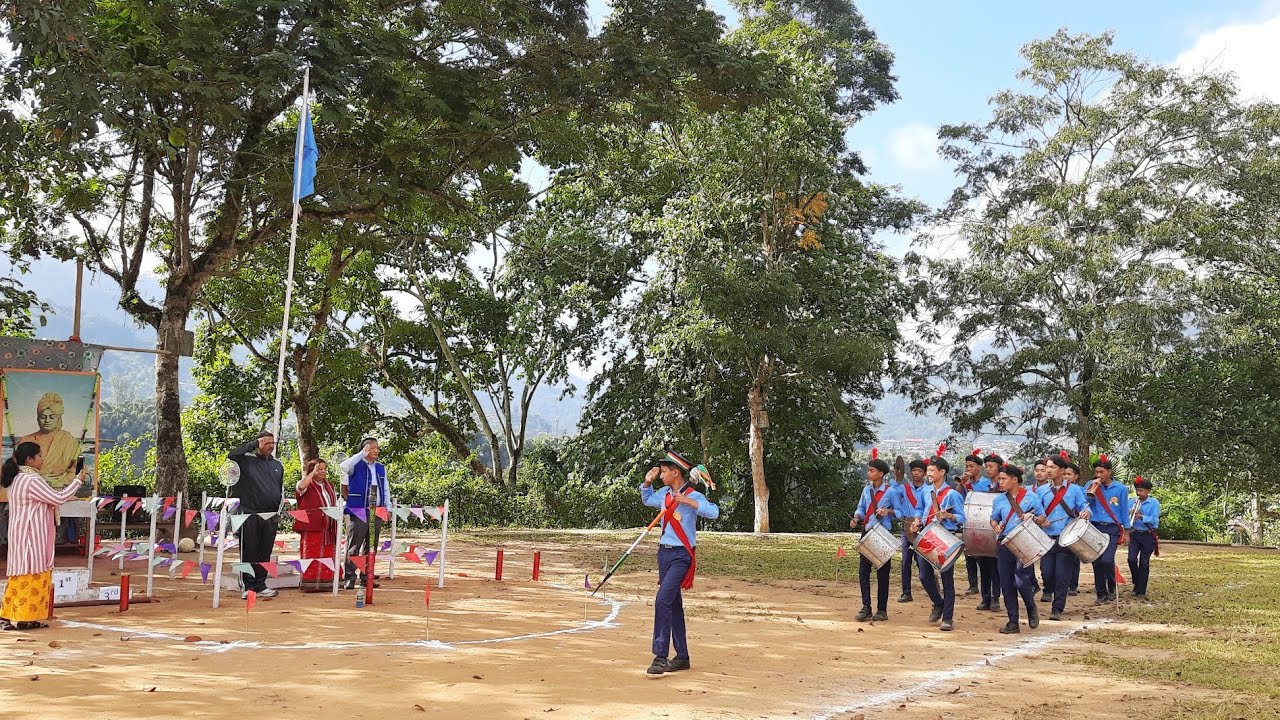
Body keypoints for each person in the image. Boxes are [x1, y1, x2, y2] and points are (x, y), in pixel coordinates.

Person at [641, 449, 719, 678]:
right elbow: (647, 499)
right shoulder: (664, 493)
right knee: (673, 605)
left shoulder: (693, 495)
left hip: (681, 556)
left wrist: (690, 502)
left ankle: (660, 656)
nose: (661, 475)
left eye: (664, 472)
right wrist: (647, 483)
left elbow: (714, 512)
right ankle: (682, 657)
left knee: (662, 601)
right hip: (663, 554)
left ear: (676, 473)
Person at [0, 442, 83, 630]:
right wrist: (77, 481)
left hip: (21, 533)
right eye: (40, 456)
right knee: (33, 575)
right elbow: (57, 498)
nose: (42, 459)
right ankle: (23, 617)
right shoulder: (31, 480)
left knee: (20, 576)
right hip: (32, 534)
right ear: (30, 459)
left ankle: (13, 615)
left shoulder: (18, 478)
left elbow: (51, 497)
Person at [909, 450, 966, 632]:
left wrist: (949, 515)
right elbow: (919, 508)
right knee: (924, 575)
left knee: (947, 579)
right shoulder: (926, 491)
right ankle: (938, 602)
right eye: (929, 470)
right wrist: (917, 520)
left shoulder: (952, 494)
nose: (929, 474)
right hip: (927, 534)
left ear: (942, 472)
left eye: (932, 470)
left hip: (944, 537)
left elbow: (962, 518)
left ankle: (948, 618)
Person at [989, 464, 1046, 633]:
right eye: (999, 479)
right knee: (1006, 583)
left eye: (1003, 479)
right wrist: (995, 526)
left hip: (1024, 543)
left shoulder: (1031, 497)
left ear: (1015, 480)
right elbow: (993, 519)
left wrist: (1033, 517)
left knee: (1021, 581)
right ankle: (1013, 621)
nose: (1000, 482)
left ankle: (1030, 607)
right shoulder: (999, 499)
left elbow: (1042, 518)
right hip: (1005, 544)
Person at [227, 432, 284, 600]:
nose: (270, 446)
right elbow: (232, 454)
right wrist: (253, 443)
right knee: (249, 551)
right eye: (266, 442)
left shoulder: (277, 465)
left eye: (272, 443)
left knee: (264, 553)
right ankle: (248, 586)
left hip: (271, 515)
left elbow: (279, 488)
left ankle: (261, 584)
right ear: (259, 443)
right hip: (249, 513)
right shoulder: (246, 460)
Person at [1036, 454, 1089, 620]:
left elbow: (1084, 506)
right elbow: (1036, 511)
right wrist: (1039, 518)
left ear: (1062, 470)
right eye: (1047, 467)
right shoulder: (1042, 490)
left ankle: (1057, 608)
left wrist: (1086, 512)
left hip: (1066, 538)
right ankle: (1048, 591)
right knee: (1046, 572)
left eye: (1052, 467)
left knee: (1062, 575)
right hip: (1046, 538)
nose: (1048, 470)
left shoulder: (1075, 490)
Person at [850, 450, 896, 622]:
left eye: (872, 470)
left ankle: (882, 609)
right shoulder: (866, 490)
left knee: (883, 573)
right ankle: (866, 606)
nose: (868, 473)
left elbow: (899, 512)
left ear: (881, 474)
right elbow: (861, 508)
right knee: (863, 572)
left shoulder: (890, 492)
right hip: (868, 533)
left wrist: (888, 511)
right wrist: (856, 518)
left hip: (883, 534)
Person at [340, 438, 389, 590]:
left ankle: (367, 576)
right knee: (354, 544)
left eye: (377, 448)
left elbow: (385, 488)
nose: (376, 450)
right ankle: (349, 577)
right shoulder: (355, 464)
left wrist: (388, 508)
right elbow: (343, 466)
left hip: (377, 509)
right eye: (372, 447)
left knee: (371, 545)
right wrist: (361, 454)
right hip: (359, 509)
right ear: (365, 448)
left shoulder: (381, 467)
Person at [1086, 454, 1131, 604]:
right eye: (1097, 472)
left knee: (1107, 560)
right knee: (1096, 561)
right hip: (1095, 527)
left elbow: (1124, 510)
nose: (1099, 475)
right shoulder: (1090, 485)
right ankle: (1101, 593)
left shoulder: (1120, 488)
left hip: (1112, 528)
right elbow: (1084, 504)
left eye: (1102, 472)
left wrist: (1127, 531)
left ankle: (1112, 585)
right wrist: (1091, 490)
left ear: (1109, 472)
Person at [17, 393, 80, 489]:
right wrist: (37, 480)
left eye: (51, 417)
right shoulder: (25, 440)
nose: (47, 420)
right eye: (43, 417)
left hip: (61, 490)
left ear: (58, 418)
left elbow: (77, 468)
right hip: (29, 489)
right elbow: (14, 468)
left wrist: (60, 482)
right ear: (38, 419)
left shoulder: (68, 440)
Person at [295, 459, 338, 592]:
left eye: (325, 469)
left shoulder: (329, 485)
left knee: (328, 553)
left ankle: (326, 582)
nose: (323, 471)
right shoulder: (307, 484)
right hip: (311, 526)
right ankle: (310, 583)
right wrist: (312, 474)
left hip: (328, 527)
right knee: (311, 554)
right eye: (319, 469)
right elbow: (301, 488)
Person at [890, 458, 928, 603]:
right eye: (914, 471)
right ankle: (906, 592)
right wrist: (896, 477)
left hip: (921, 526)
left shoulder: (927, 490)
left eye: (919, 471)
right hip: (906, 525)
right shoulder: (904, 488)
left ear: (924, 474)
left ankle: (931, 584)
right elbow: (892, 492)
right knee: (905, 561)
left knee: (921, 560)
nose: (916, 473)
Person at [973, 451, 1004, 613]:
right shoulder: (980, 486)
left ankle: (995, 597)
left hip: (998, 529)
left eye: (991, 467)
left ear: (999, 469)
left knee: (996, 566)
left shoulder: (1004, 486)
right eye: (987, 467)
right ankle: (985, 597)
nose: (988, 470)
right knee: (983, 565)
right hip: (981, 530)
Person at [1127, 475, 1160, 598]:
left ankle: (1141, 589)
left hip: (1148, 535)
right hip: (1134, 534)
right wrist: (1130, 514)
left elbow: (1155, 521)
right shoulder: (1132, 502)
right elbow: (1125, 517)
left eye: (1141, 490)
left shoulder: (1154, 503)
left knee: (1144, 562)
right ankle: (1136, 581)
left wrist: (1141, 516)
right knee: (1131, 559)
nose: (1139, 493)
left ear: (1148, 491)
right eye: (1137, 490)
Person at [959, 448, 984, 596]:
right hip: (967, 521)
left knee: (981, 555)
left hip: (981, 521)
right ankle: (972, 584)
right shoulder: (964, 483)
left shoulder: (986, 484)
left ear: (979, 468)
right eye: (967, 466)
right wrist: (962, 483)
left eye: (971, 466)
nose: (968, 469)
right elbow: (957, 494)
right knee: (968, 554)